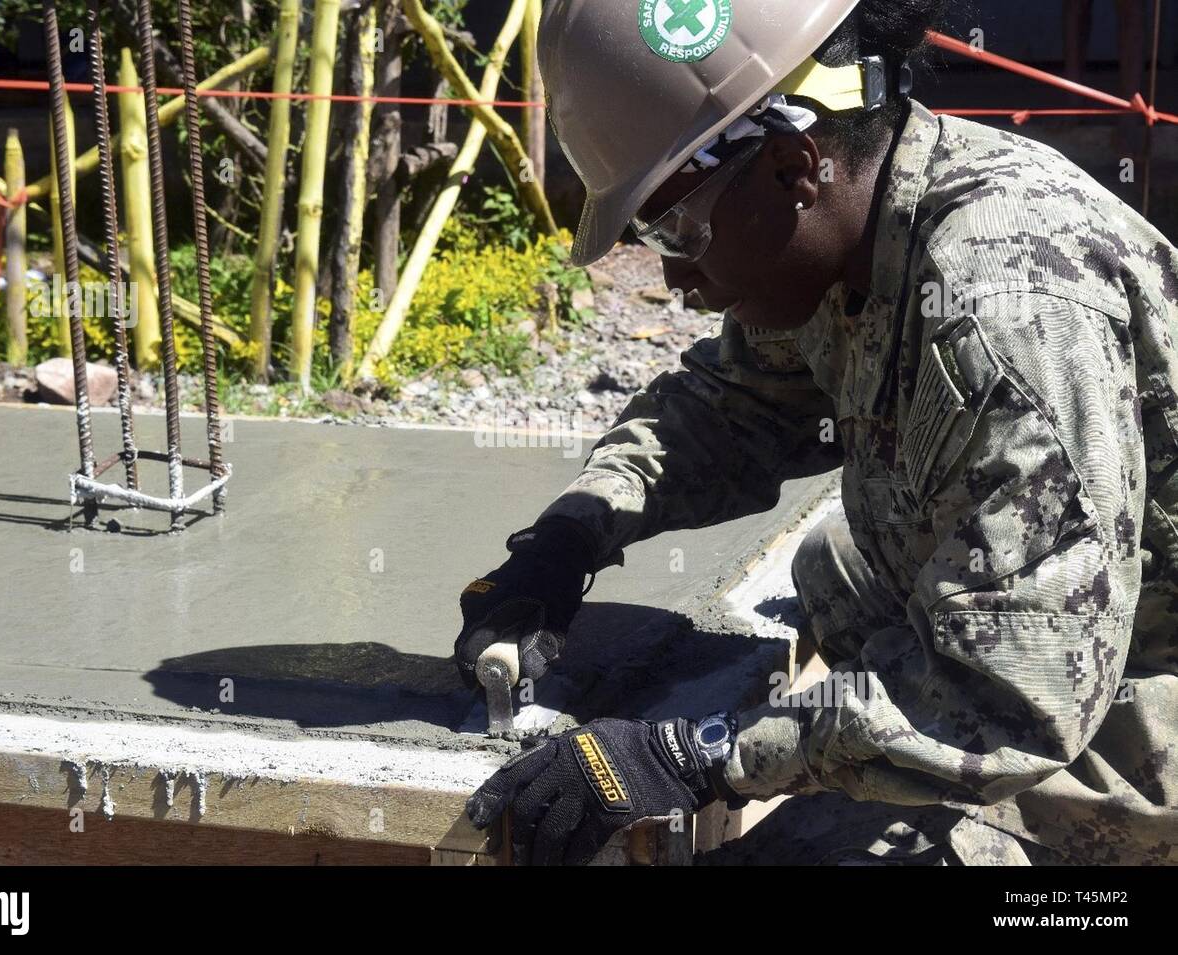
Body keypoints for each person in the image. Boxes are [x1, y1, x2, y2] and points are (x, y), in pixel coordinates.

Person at [455, 0, 1178, 866]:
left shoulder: (1006, 315)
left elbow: (1014, 697)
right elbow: (730, 411)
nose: (677, 273)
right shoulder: (868, 230)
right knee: (837, 560)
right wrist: (570, 536)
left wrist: (701, 754)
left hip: (1114, 694)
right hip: (1087, 628)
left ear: (796, 166)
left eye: (679, 229)